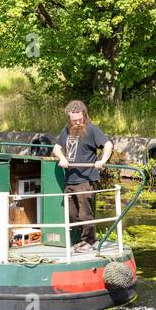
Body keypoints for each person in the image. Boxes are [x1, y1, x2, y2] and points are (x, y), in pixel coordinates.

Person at [51, 101, 112, 253]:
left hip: (86, 179)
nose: (77, 122)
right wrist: (62, 158)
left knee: (85, 213)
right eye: (74, 120)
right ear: (69, 118)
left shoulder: (92, 129)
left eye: (80, 119)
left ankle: (90, 241)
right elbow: (56, 149)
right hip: (70, 179)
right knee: (72, 213)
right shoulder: (66, 130)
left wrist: (102, 161)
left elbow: (108, 144)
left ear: (84, 115)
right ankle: (83, 239)